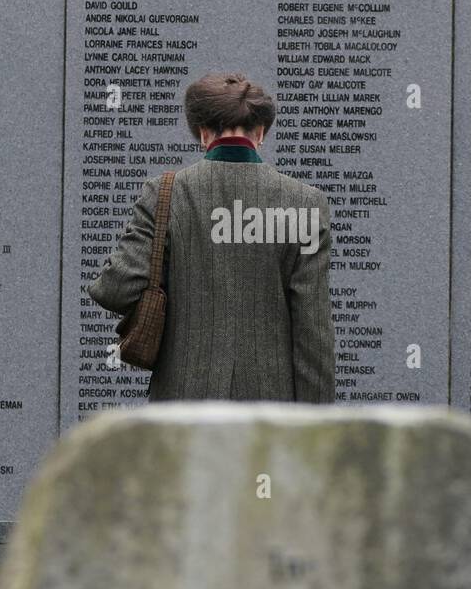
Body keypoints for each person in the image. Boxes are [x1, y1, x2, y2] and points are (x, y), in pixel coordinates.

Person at [88, 72, 336, 402]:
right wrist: (316, 429)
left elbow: (115, 290)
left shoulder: (164, 194)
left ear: (203, 133)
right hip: (271, 416)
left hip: (182, 409)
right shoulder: (305, 202)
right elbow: (313, 331)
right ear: (260, 133)